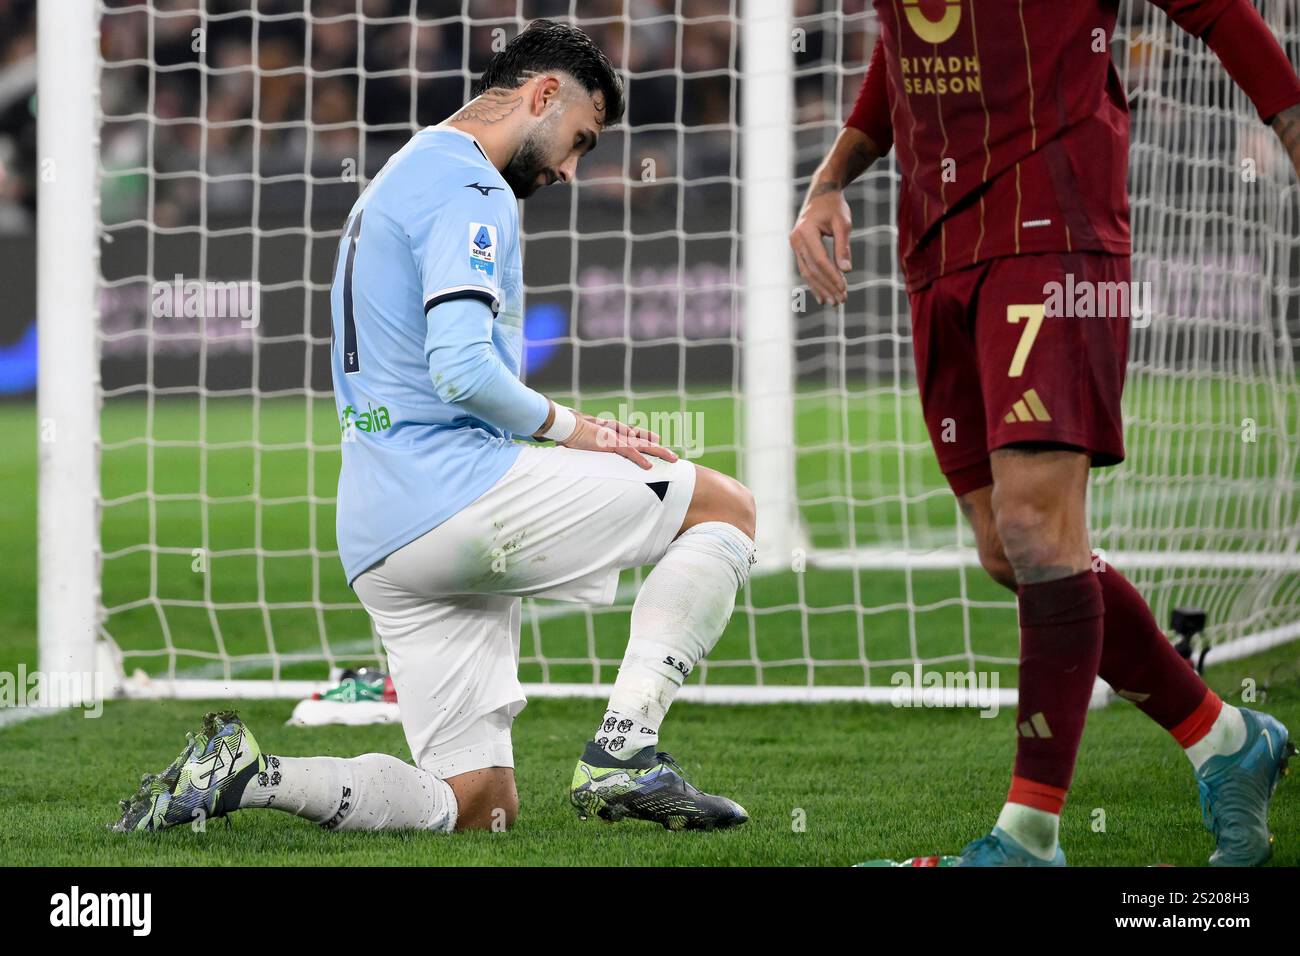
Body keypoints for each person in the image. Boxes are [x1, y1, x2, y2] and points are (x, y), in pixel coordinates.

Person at [114, 20, 753, 836]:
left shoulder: (406, 167)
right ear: (542, 94)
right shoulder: (470, 187)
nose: (569, 167)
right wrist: (579, 430)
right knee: (724, 509)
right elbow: (461, 370)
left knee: (476, 805)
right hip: (458, 497)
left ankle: (251, 773)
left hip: (381, 534)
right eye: (579, 141)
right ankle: (625, 752)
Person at [790, 0, 1300, 866]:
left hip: (1052, 222)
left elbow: (1216, 10)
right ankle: (1224, 741)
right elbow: (910, 45)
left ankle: (1029, 839)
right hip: (938, 241)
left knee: (1035, 525)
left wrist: (1290, 123)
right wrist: (831, 176)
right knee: (1007, 547)